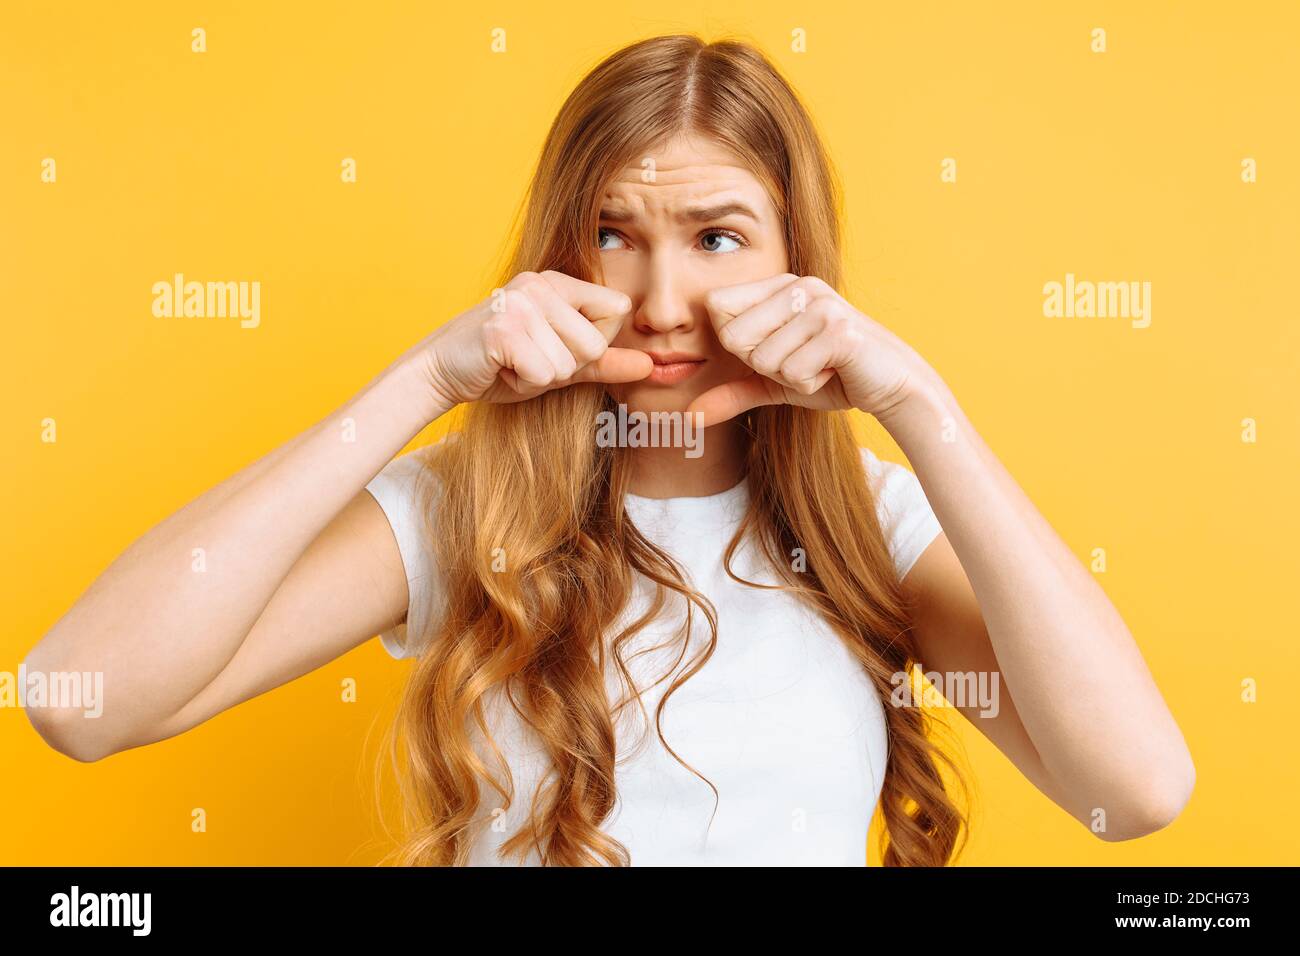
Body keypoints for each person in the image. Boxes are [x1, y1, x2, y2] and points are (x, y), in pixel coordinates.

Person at [23, 34, 1194, 866]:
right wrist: (424, 379)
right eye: (612, 234)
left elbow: (1136, 792)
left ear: (797, 259)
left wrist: (918, 405)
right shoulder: (466, 512)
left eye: (717, 236)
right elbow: (83, 702)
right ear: (561, 255)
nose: (664, 298)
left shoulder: (868, 530)